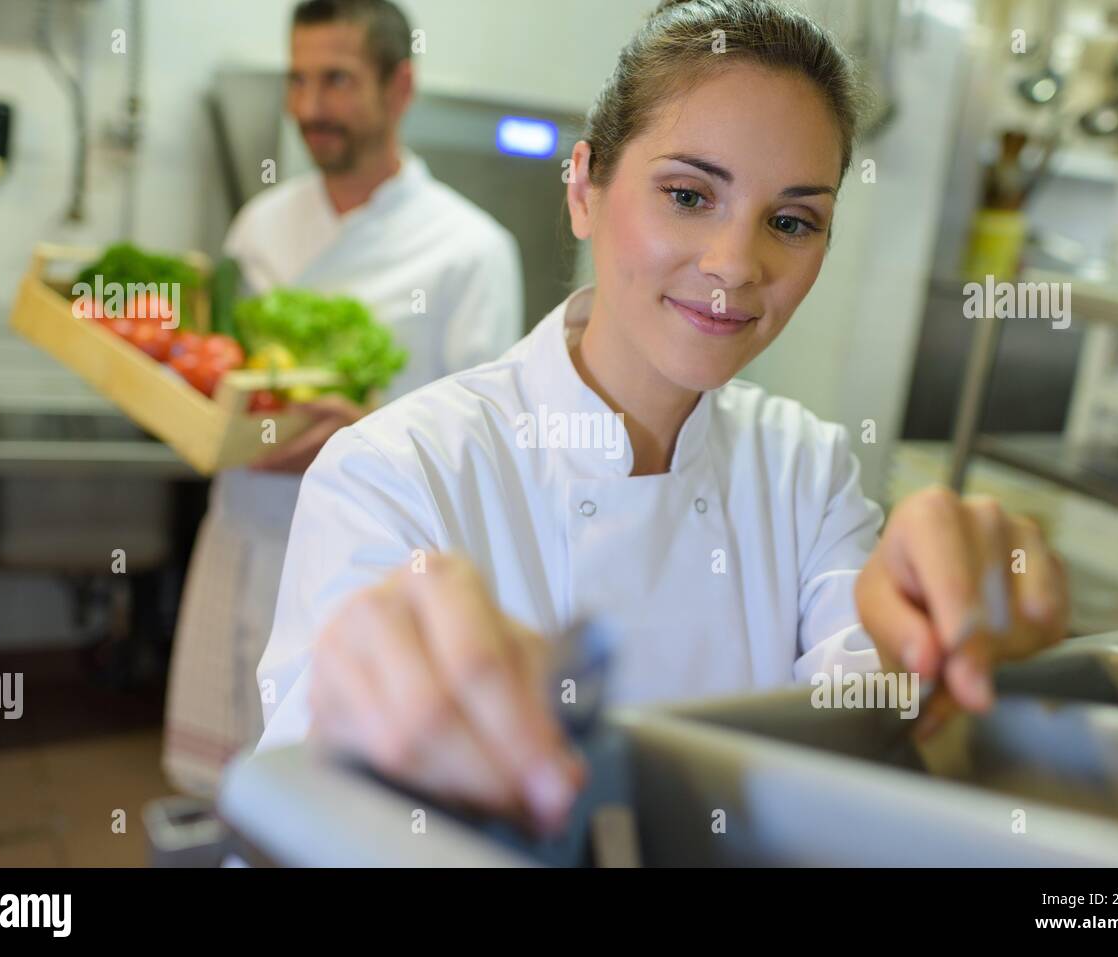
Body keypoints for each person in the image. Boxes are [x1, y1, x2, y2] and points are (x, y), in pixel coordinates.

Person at [257, 0, 1070, 835]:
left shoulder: (804, 467)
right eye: (688, 195)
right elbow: (299, 812)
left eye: (790, 221)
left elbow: (862, 702)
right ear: (584, 189)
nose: (734, 265)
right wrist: (373, 745)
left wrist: (942, 648)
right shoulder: (398, 468)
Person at [162, 0, 523, 795]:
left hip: (365, 570)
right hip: (244, 532)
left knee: (334, 803)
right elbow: (227, 374)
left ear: (400, 88)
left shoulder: (469, 251)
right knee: (227, 791)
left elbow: (485, 452)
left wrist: (360, 438)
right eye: (297, 80)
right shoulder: (261, 224)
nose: (309, 109)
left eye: (336, 81)